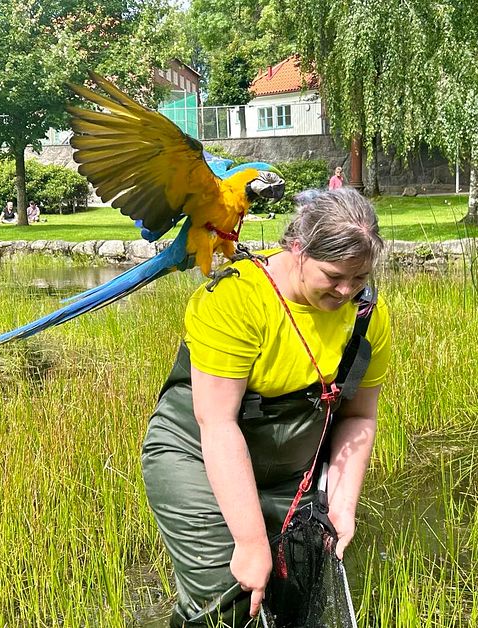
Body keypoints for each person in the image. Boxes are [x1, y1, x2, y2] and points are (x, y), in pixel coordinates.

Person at [141, 187, 390, 627]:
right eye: (334, 276)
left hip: (290, 468)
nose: (347, 290)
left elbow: (358, 416)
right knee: (230, 595)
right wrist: (251, 541)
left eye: (359, 278)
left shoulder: (366, 312)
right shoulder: (238, 300)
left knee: (293, 584)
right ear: (298, 248)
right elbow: (217, 424)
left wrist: (342, 509)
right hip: (199, 452)